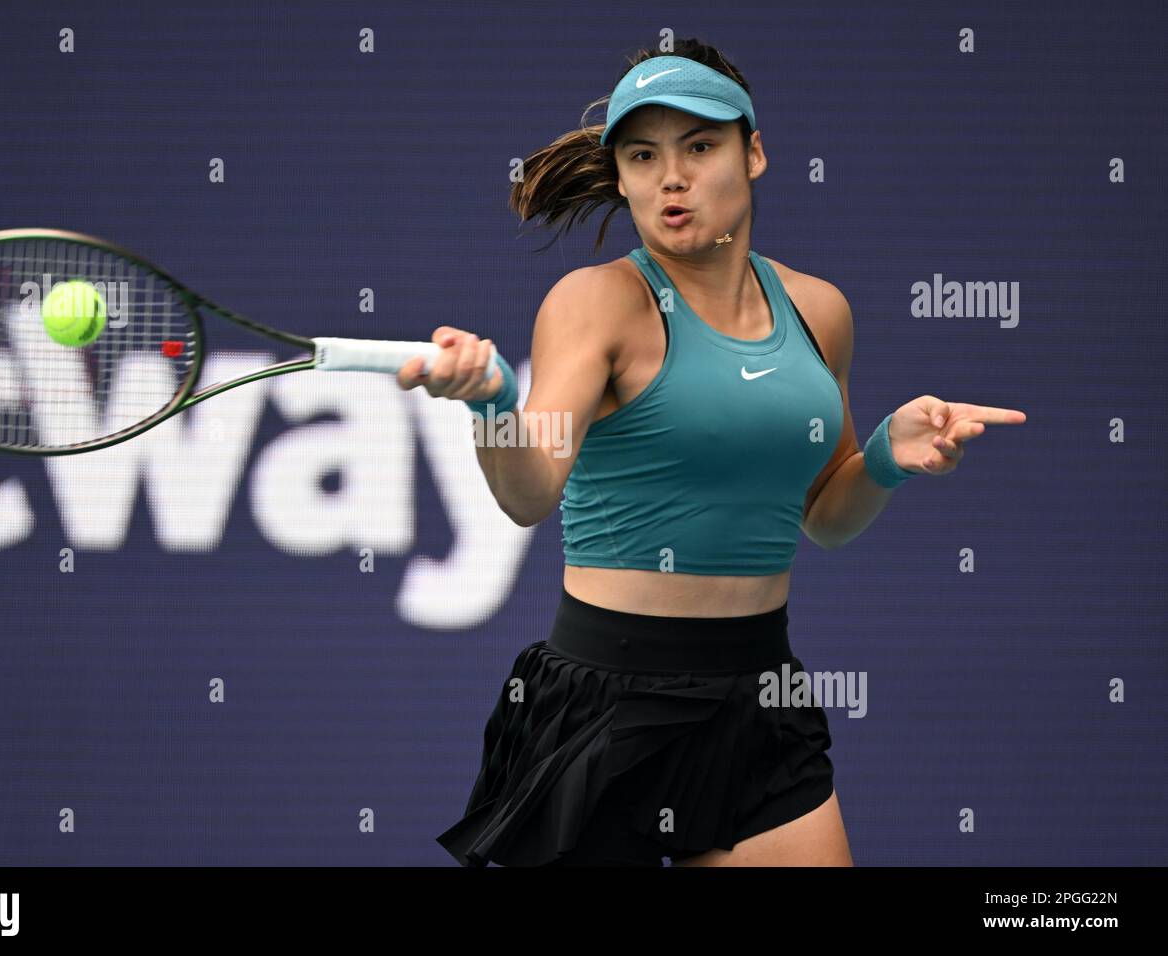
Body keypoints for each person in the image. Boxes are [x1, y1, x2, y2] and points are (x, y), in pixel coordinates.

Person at [399, 38, 1027, 867]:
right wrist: (489, 405)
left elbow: (826, 518)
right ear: (622, 176)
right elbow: (529, 493)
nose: (672, 177)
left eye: (699, 147)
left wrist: (883, 458)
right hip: (601, 706)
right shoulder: (595, 303)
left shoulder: (819, 310)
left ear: (752, 153)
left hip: (758, 696)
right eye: (643, 155)